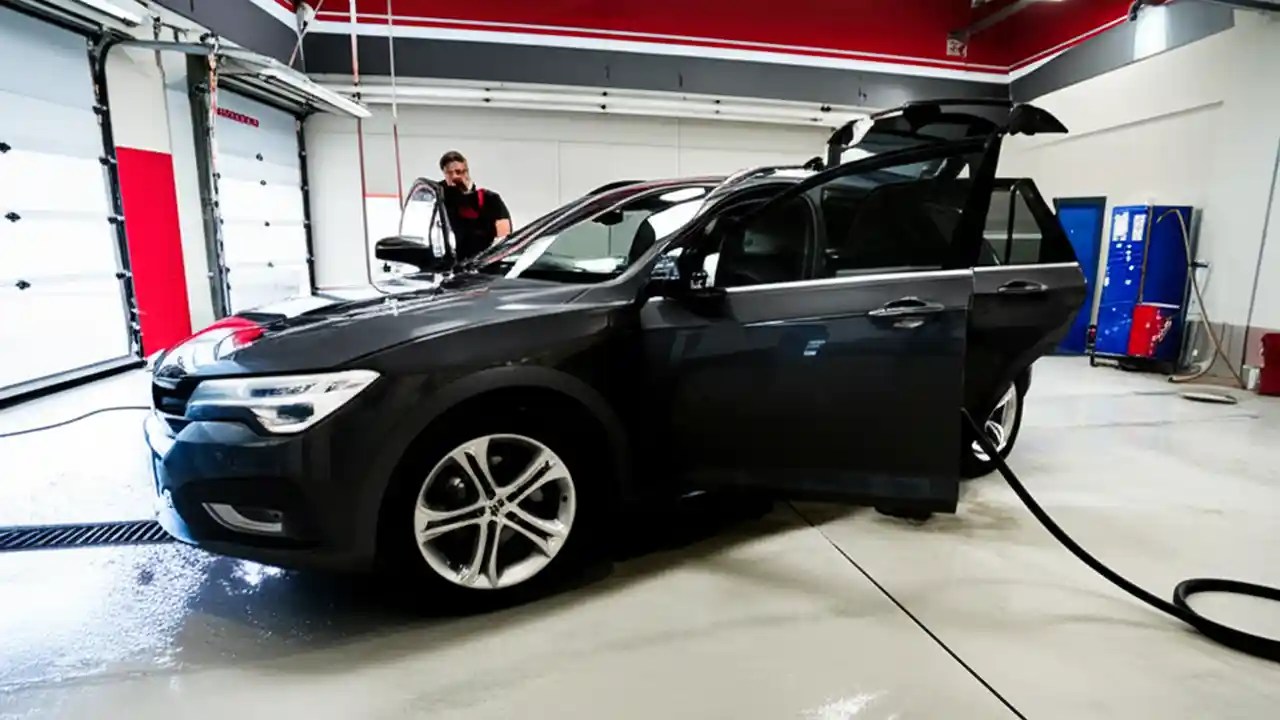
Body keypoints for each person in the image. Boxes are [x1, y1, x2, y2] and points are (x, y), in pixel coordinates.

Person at [438, 150, 512, 261]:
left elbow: (504, 235)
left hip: (483, 262)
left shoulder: (490, 199)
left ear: (466, 172)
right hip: (449, 262)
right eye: (449, 173)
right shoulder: (439, 199)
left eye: (459, 172)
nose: (455, 177)